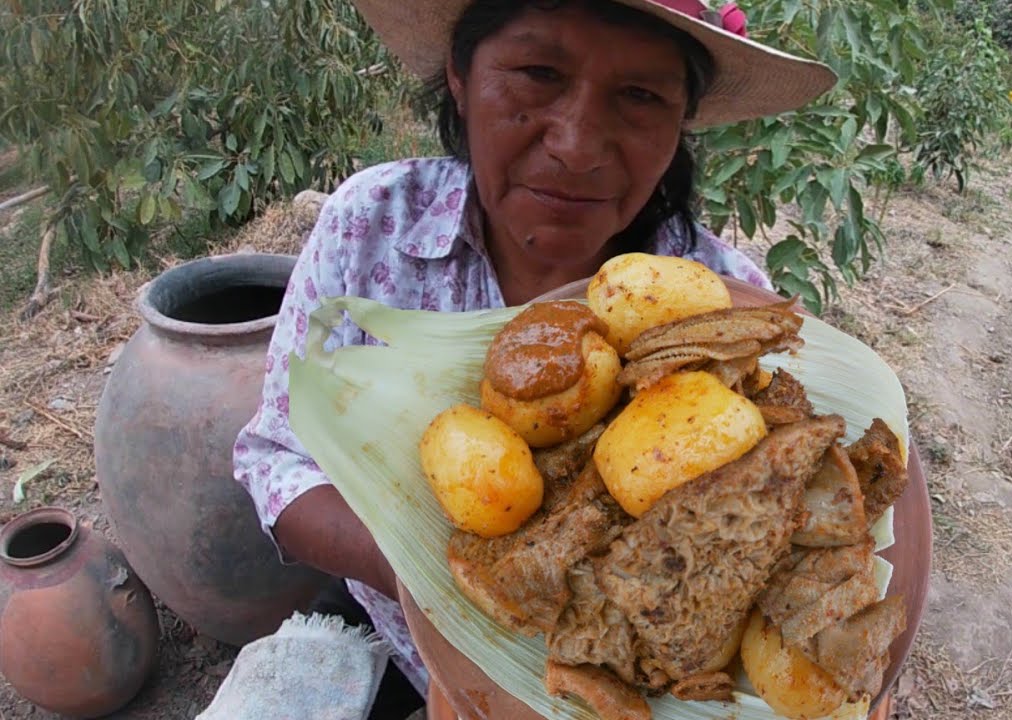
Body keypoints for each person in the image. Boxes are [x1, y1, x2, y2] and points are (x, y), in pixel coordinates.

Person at [232, 0, 839, 717]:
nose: (577, 144)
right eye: (537, 73)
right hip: (400, 638)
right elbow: (276, 461)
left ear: (680, 124)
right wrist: (434, 580)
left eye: (640, 96)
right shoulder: (370, 228)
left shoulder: (726, 318)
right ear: (459, 75)